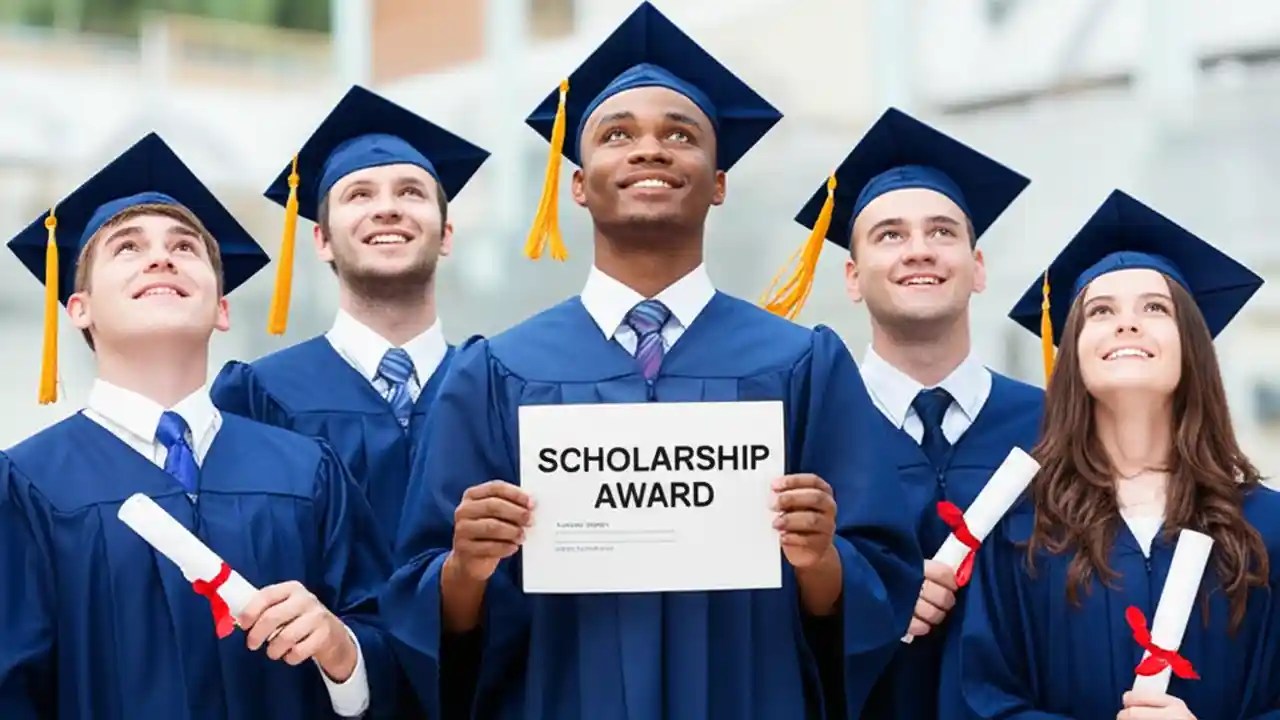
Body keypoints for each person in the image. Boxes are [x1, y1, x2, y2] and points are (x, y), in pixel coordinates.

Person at [382, 3, 923, 719]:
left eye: (680, 135)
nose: (650, 150)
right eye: (615, 135)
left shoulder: (803, 365)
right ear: (578, 183)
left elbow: (878, 590)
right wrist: (467, 568)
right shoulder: (494, 374)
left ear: (718, 180)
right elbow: (430, 610)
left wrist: (821, 557)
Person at [0, 132, 400, 719]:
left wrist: (344, 652)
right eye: (128, 248)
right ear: (77, 307)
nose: (162, 257)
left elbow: (389, 646)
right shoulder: (26, 484)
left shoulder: (308, 471)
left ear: (221, 308)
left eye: (186, 248)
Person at [952, 189, 1280, 718]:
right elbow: (980, 698)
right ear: (1074, 351)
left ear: (1191, 345)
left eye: (1155, 308)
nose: (1127, 323)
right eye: (1101, 311)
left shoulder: (1266, 527)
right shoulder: (1020, 533)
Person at [761, 107, 1043, 720]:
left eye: (943, 232)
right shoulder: (797, 430)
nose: (919, 251)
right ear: (853, 276)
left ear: (979, 268)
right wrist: (870, 594)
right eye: (890, 235)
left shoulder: (1056, 429)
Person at [211, 85, 489, 551]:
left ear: (446, 235)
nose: (387, 208)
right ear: (321, 239)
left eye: (411, 192)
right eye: (359, 194)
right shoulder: (258, 398)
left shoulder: (495, 386)